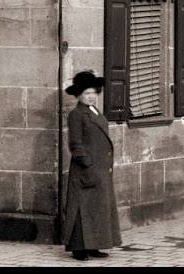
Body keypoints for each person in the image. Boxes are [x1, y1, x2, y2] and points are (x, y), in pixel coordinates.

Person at [62, 70, 120, 261]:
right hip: (86, 169)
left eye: (94, 92)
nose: (91, 96)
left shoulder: (95, 112)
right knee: (81, 209)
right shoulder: (77, 114)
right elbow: (75, 143)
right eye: (87, 93)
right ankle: (79, 247)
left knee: (98, 208)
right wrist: (87, 164)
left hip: (100, 169)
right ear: (78, 95)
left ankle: (93, 245)